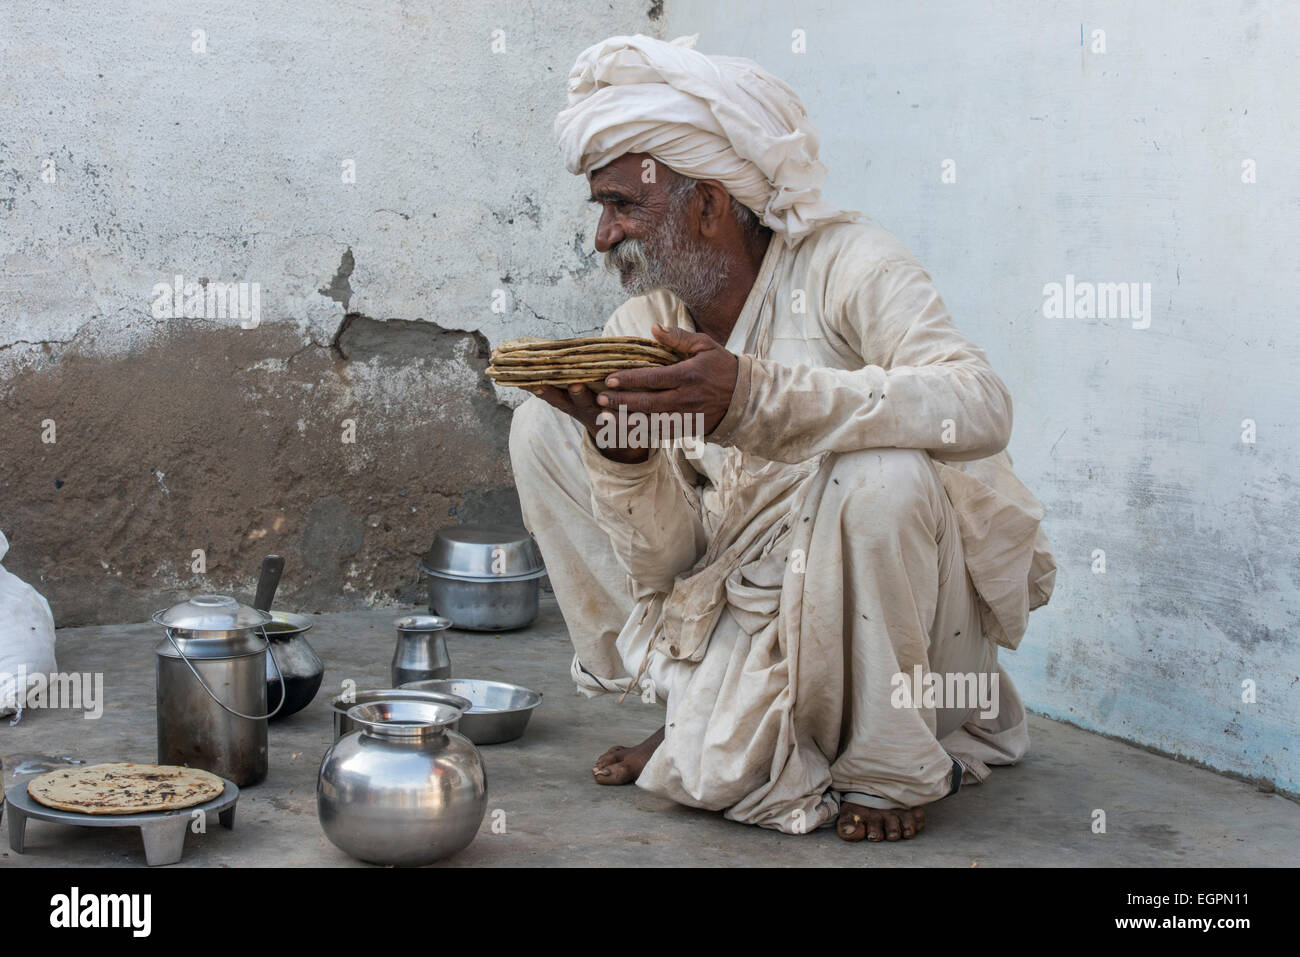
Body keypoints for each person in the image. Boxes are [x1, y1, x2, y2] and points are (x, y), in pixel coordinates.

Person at [508, 34, 1056, 842]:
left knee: (881, 474)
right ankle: (692, 703)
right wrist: (625, 458)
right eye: (601, 208)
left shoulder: (849, 264)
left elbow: (978, 403)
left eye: (622, 206)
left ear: (708, 205)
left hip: (911, 645)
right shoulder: (645, 323)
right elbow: (665, 569)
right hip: (748, 612)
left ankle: (888, 761)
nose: (602, 236)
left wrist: (752, 395)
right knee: (541, 428)